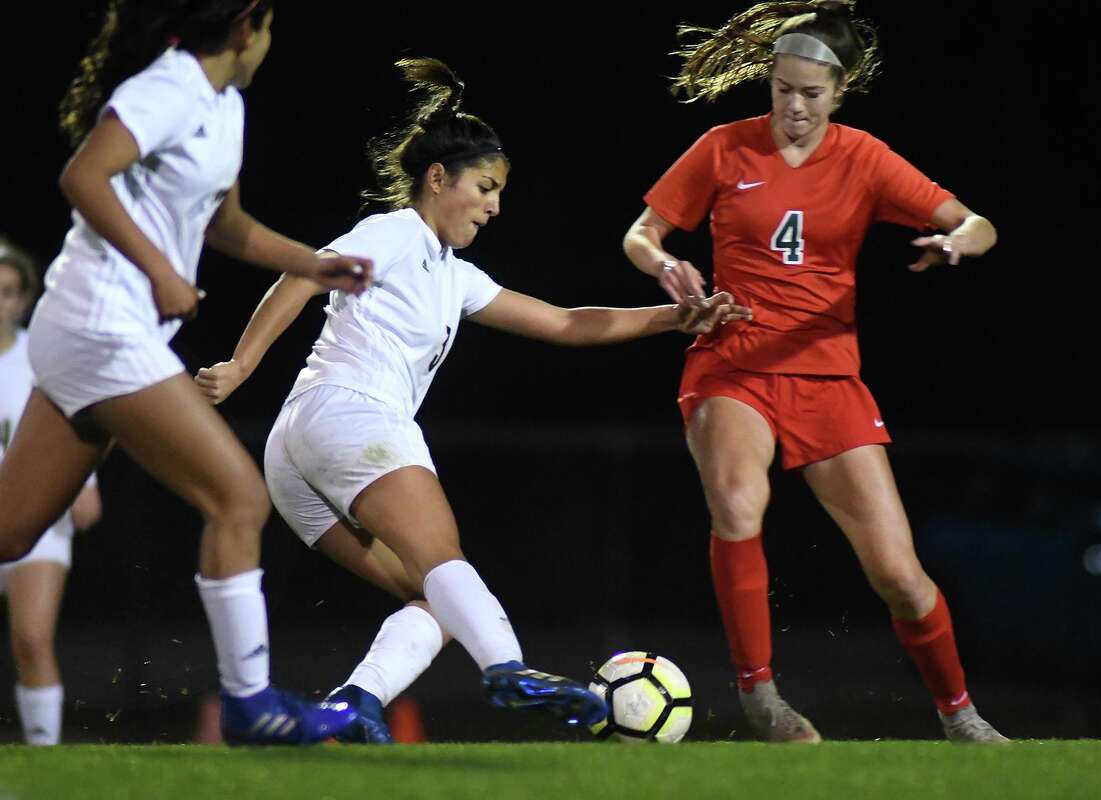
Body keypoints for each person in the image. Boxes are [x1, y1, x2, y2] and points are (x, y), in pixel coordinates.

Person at [195, 57, 749, 742]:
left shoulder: (453, 275)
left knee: (435, 600)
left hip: (301, 448)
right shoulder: (396, 233)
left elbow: (567, 323)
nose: (494, 206)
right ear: (438, 179)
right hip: (351, 414)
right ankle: (510, 669)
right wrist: (242, 365)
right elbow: (304, 275)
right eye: (485, 188)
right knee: (445, 563)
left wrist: (676, 318)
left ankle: (355, 703)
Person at [622, 0, 1007, 742]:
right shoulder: (723, 148)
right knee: (737, 504)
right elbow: (642, 233)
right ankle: (762, 698)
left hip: (828, 376)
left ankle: (962, 716)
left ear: (840, 90)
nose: (793, 107)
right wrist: (669, 264)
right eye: (782, 90)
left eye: (811, 93)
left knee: (898, 574)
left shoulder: (864, 158)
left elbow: (977, 221)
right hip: (732, 360)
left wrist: (959, 242)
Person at [0, 0, 377, 745]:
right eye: (269, 27)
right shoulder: (169, 86)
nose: (271, 42)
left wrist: (314, 264)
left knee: (10, 534)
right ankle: (251, 702)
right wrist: (160, 272)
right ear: (247, 27)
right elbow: (84, 177)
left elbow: (223, 224)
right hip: (99, 323)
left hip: (93, 332)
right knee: (239, 496)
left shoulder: (224, 105)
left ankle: (250, 701)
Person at [0, 239, 103, 745]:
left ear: (22, 299)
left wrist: (84, 480)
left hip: (37, 512)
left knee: (32, 636)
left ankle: (46, 755)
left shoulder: (38, 359)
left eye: (7, 292)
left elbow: (76, 415)